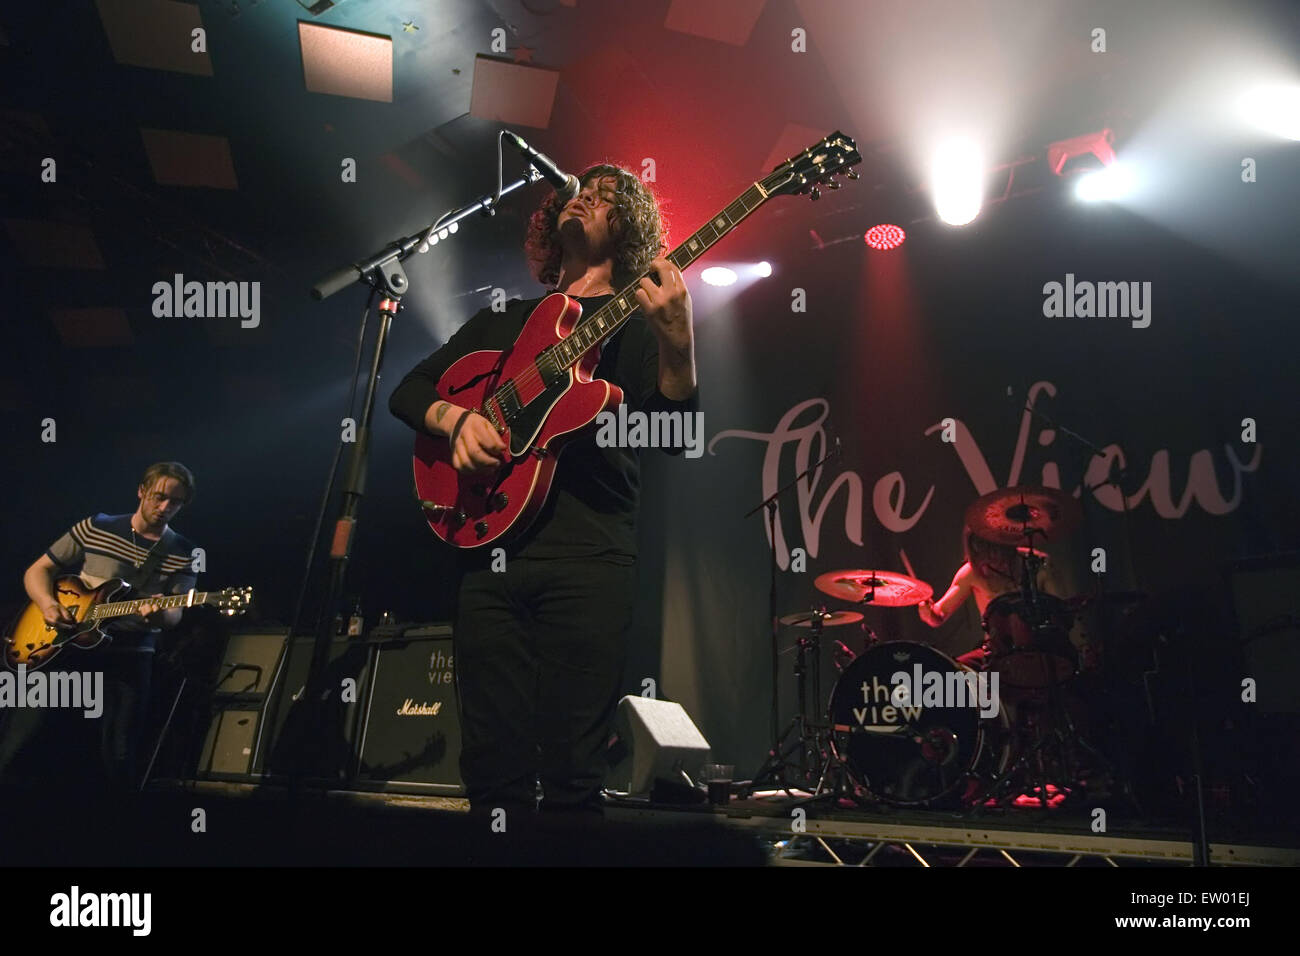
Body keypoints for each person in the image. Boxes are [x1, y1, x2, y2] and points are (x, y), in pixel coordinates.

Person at [389, 164, 698, 821]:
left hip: (589, 559)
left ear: (631, 230)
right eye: (582, 188)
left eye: (610, 198)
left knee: (572, 773)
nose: (587, 195)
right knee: (491, 769)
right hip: (486, 549)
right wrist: (458, 420)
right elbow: (409, 391)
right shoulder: (506, 321)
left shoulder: (640, 323)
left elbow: (674, 438)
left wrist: (678, 346)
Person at [0, 462, 200, 791]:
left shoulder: (184, 552)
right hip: (64, 642)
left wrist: (157, 616)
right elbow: (38, 570)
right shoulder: (98, 526)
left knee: (119, 753)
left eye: (174, 502)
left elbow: (175, 613)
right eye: (158, 497)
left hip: (130, 653)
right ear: (141, 491)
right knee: (22, 737)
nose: (164, 507)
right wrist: (48, 604)